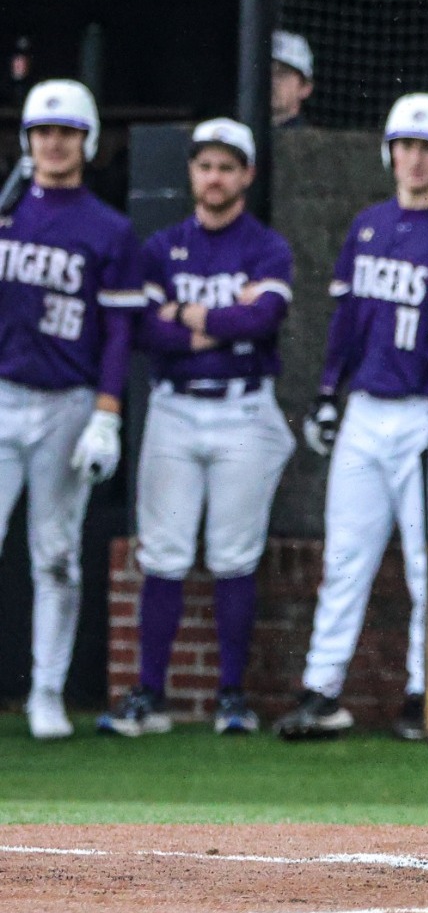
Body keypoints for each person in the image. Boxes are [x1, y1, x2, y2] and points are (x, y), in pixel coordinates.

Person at [274, 93, 428, 742]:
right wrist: (325, 393)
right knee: (346, 555)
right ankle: (322, 691)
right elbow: (346, 322)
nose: (415, 158)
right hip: (366, 412)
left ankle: (420, 692)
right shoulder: (367, 224)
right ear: (389, 151)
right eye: (405, 145)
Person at [98, 119, 295, 738]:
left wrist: (183, 314)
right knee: (164, 555)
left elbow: (262, 320)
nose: (215, 177)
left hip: (243, 407)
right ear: (192, 172)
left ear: (247, 176)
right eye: (205, 165)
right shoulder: (159, 247)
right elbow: (141, 332)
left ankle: (231, 697)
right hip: (175, 406)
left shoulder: (267, 246)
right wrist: (215, 321)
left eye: (227, 167)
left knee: (236, 558)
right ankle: (150, 696)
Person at [0, 80, 143, 739]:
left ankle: (48, 691)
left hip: (67, 399)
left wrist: (107, 412)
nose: (53, 143)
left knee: (55, 553)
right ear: (27, 140)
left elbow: (118, 332)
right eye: (42, 132)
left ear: (85, 141)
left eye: (65, 132)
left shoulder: (109, 229)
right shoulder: (5, 211)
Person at [271, 31, 314, 129]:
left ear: (305, 87)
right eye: (267, 72)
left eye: (282, 73)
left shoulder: (311, 141)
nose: (273, 80)